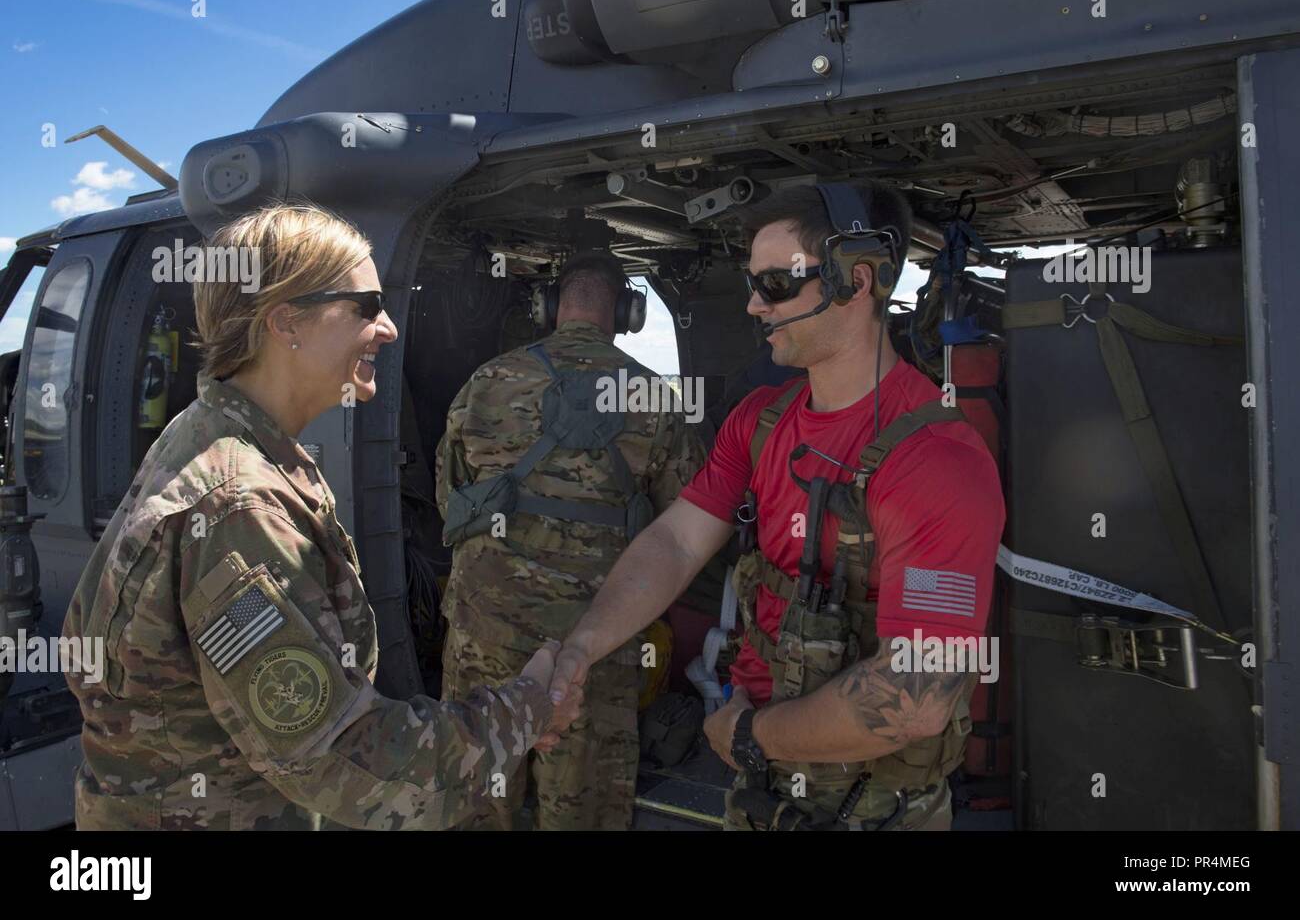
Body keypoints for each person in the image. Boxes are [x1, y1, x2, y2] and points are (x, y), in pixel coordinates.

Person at [62, 202, 580, 831]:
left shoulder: (213, 436)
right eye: (365, 307)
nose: (387, 329)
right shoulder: (238, 503)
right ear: (286, 322)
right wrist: (527, 710)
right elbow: (341, 761)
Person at [550, 182, 1005, 831]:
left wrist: (749, 735)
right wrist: (581, 648)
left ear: (857, 280)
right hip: (761, 788)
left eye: (776, 284)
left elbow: (914, 696)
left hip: (873, 806)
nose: (754, 305)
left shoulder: (936, 460)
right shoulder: (758, 423)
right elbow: (677, 542)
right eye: (752, 283)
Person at [436, 251, 706, 829]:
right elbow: (683, 527)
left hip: (485, 627)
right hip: (595, 644)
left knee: (478, 794)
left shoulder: (487, 382)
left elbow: (449, 499)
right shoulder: (656, 399)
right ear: (628, 313)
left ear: (552, 307)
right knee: (585, 806)